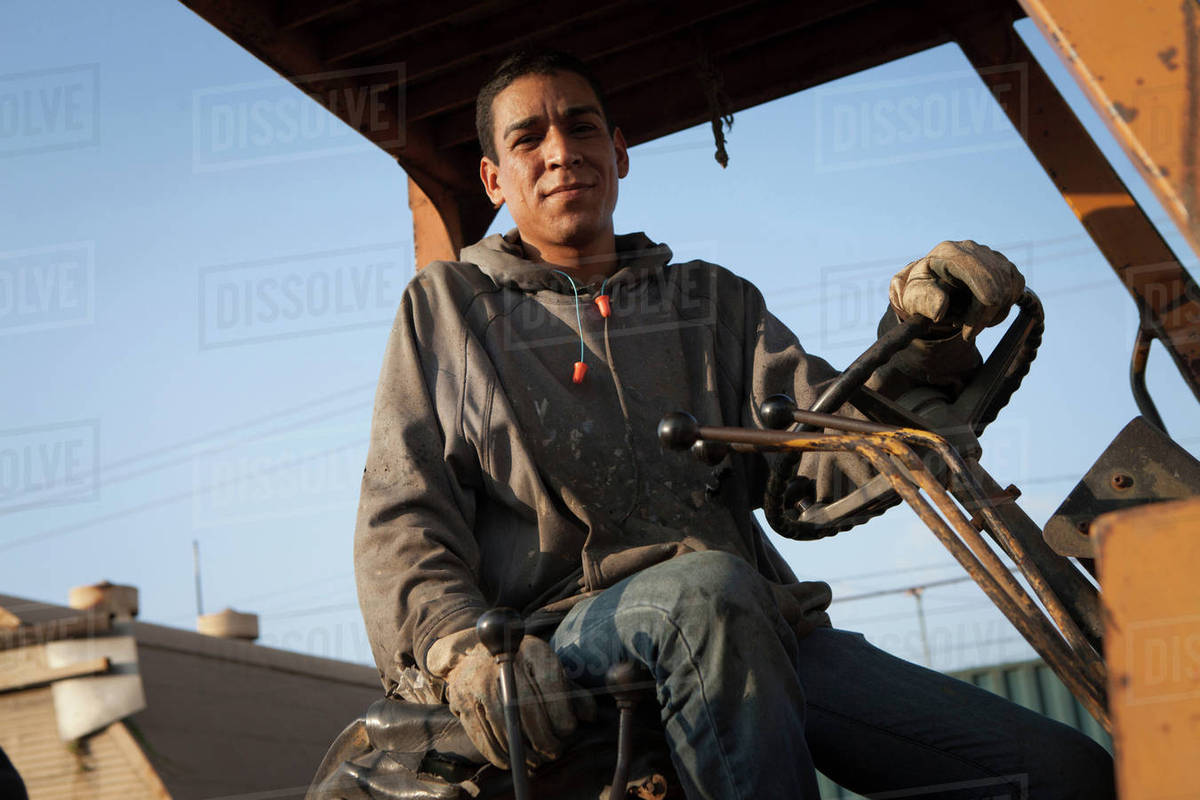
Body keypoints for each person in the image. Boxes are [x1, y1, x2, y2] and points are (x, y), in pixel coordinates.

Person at [354, 50, 1114, 799]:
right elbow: (403, 516)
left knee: (1061, 773)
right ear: (494, 178)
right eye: (528, 139)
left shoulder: (712, 303)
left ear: (617, 152)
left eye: (581, 128)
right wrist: (463, 653)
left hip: (753, 629)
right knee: (707, 590)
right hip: (559, 639)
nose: (561, 152)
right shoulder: (447, 308)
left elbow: (822, 446)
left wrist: (928, 341)